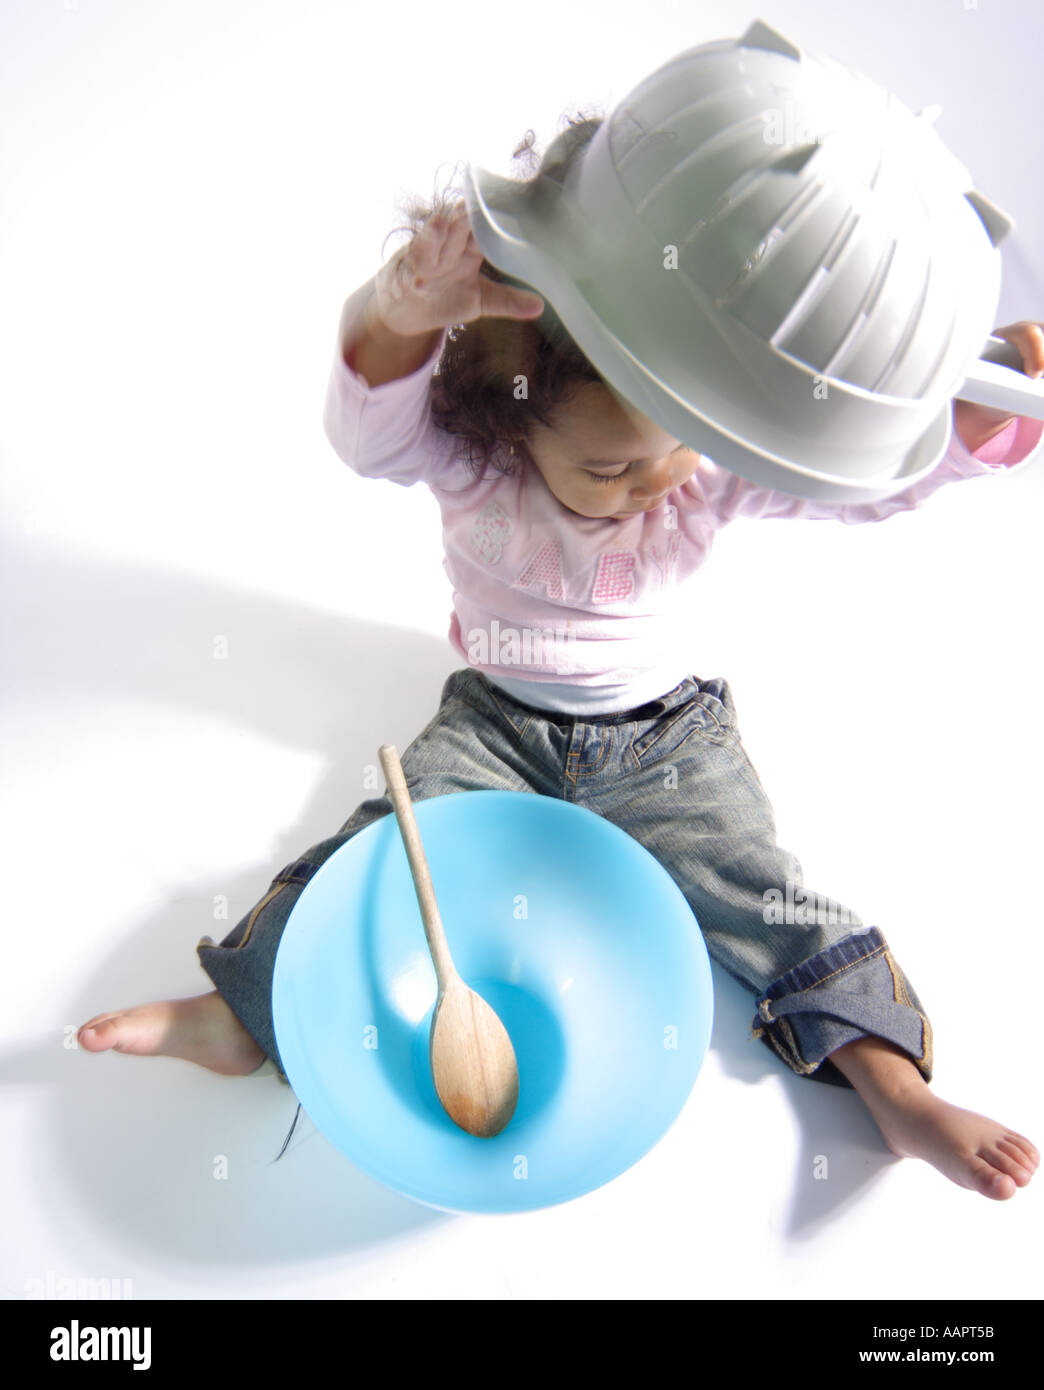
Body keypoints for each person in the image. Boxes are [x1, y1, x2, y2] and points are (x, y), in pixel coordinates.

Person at [78, 119, 1041, 1201]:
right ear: (512, 422)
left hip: (668, 737)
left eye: (678, 437)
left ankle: (894, 1091)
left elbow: (864, 483)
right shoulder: (471, 463)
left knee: (764, 894)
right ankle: (243, 1008)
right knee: (381, 851)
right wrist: (400, 309)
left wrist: (977, 421)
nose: (660, 478)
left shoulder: (698, 468)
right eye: (613, 464)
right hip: (496, 720)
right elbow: (365, 425)